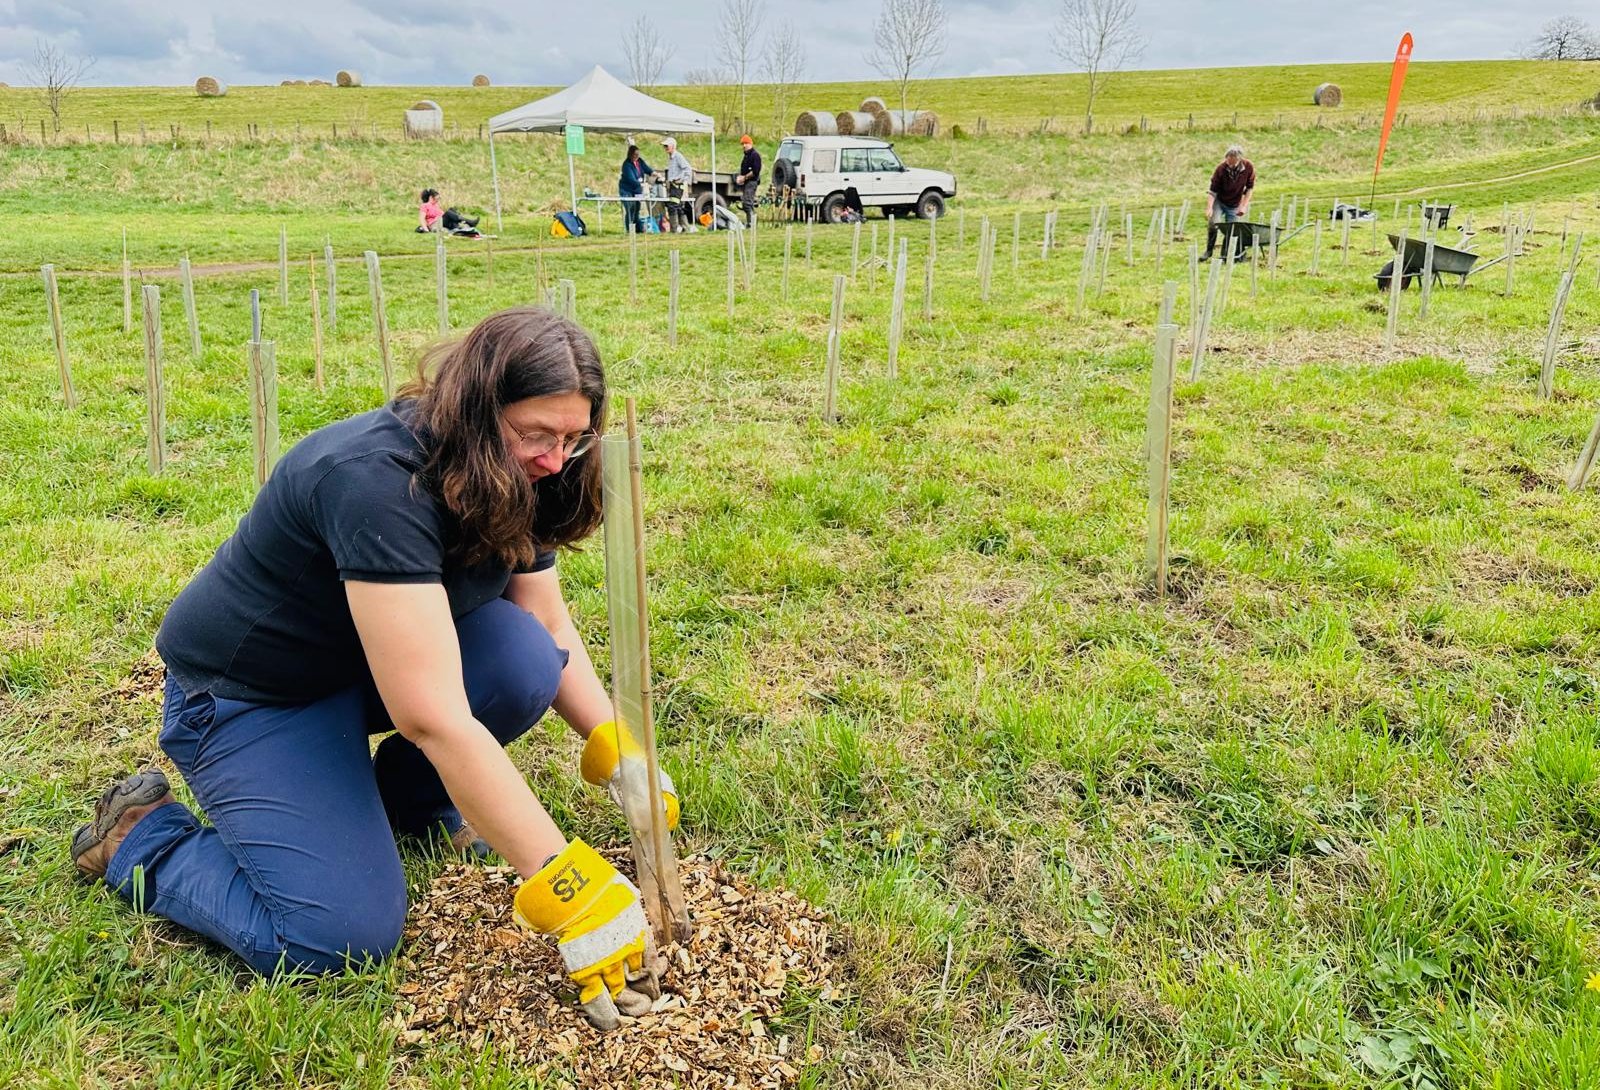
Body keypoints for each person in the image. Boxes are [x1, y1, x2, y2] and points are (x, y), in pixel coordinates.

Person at [70, 307, 680, 1033]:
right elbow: (433, 715)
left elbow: (546, 624)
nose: (555, 460)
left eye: (574, 439)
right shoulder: (375, 482)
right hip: (251, 698)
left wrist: (618, 751)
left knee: (521, 659)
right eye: (537, 436)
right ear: (480, 413)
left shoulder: (529, 467)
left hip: (368, 666)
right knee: (340, 935)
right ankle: (144, 839)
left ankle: (404, 807)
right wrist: (570, 890)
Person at [1203, 145, 1254, 260]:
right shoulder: (1220, 169)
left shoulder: (1248, 167)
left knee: (1231, 230)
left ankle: (1225, 254)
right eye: (1228, 162)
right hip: (1219, 202)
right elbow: (1212, 191)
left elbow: (1249, 189)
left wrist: (1243, 206)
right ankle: (1208, 251)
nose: (1230, 165)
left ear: (1239, 160)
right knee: (1213, 223)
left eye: (1233, 163)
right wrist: (1210, 207)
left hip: (1234, 204)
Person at [661, 136, 694, 233]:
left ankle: (674, 230)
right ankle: (686, 228)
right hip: (672, 186)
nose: (665, 148)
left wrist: (682, 180)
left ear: (673, 146)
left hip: (677, 186)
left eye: (667, 146)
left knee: (672, 206)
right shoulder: (671, 157)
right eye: (664, 146)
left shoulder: (678, 156)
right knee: (678, 207)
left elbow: (688, 169)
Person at [618, 145, 653, 234]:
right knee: (630, 209)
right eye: (635, 154)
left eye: (638, 154)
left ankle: (638, 229)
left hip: (637, 190)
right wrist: (643, 185)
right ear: (630, 154)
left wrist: (656, 174)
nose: (637, 156)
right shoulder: (627, 164)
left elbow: (648, 170)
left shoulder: (640, 161)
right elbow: (631, 179)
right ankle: (629, 229)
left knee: (637, 209)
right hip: (626, 190)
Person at [735, 134, 761, 228]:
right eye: (743, 144)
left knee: (747, 203)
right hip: (747, 182)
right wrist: (740, 177)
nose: (744, 146)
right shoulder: (746, 156)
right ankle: (751, 223)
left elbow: (755, 171)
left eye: (746, 143)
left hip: (752, 182)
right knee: (746, 203)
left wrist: (744, 177)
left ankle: (752, 224)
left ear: (751, 144)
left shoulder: (755, 155)